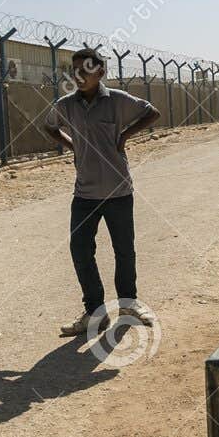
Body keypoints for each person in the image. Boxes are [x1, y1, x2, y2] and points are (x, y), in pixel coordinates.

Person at [44, 48, 161, 338]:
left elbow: (152, 113)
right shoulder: (66, 105)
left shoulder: (117, 101)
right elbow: (49, 127)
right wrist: (72, 145)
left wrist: (124, 135)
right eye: (74, 70)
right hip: (84, 194)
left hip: (118, 190)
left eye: (85, 70)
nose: (78, 75)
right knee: (80, 250)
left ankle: (129, 305)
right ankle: (95, 312)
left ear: (101, 72)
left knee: (124, 250)